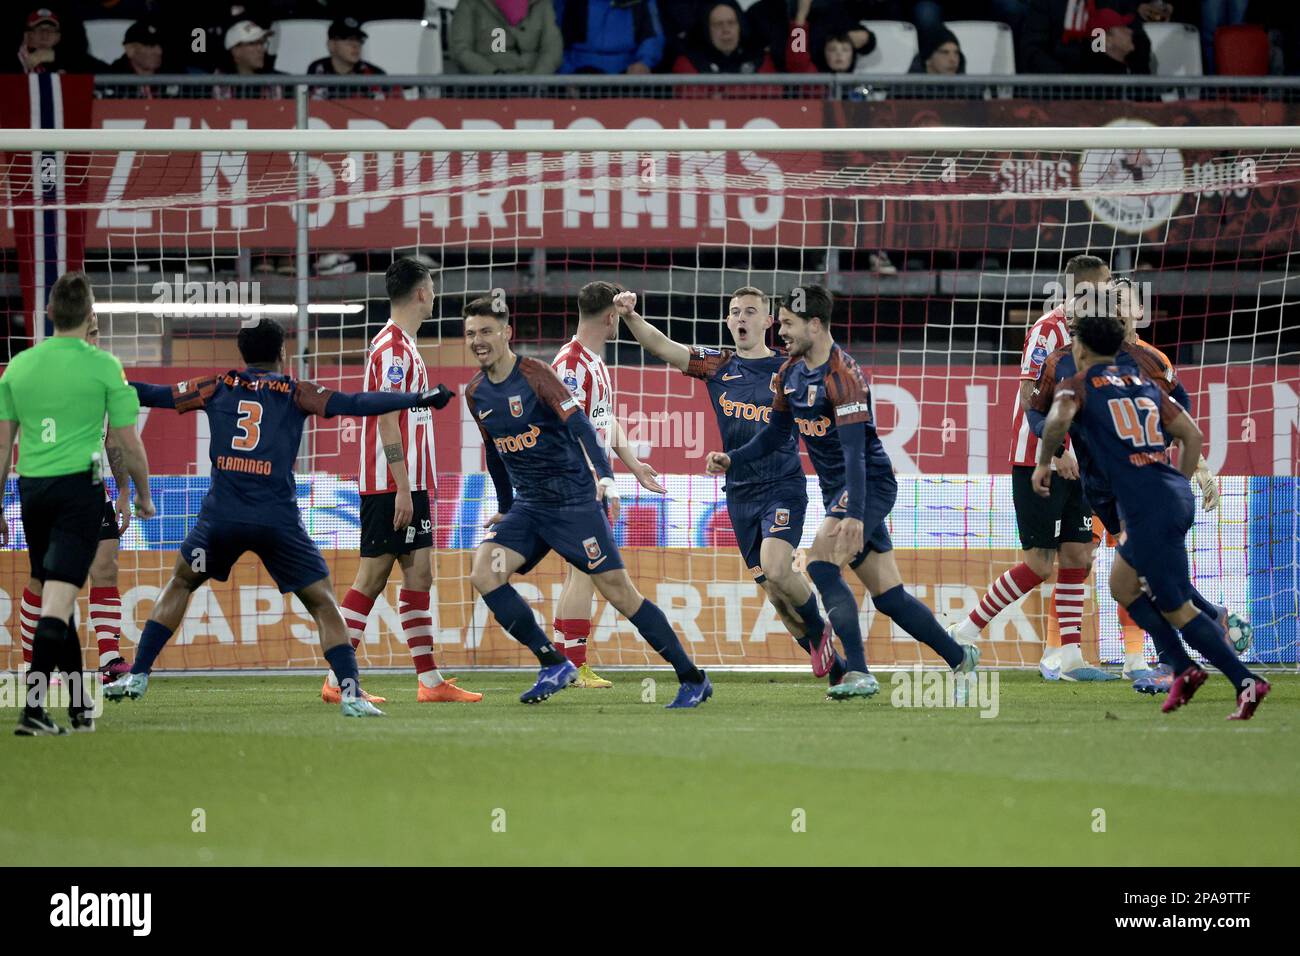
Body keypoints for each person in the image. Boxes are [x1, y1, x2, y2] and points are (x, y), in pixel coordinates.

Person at [103, 319, 456, 716]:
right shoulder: (295, 392)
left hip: (222, 518)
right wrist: (418, 398)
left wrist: (106, 384)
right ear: (282, 353)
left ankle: (139, 673)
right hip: (277, 522)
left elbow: (154, 395)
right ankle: (352, 693)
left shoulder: (215, 386)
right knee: (323, 603)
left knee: (181, 582)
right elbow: (356, 404)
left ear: (241, 352)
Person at [706, 285, 978, 701]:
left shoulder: (843, 376)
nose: (782, 333)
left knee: (820, 565)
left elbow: (854, 453)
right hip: (839, 490)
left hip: (866, 484)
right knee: (890, 597)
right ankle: (961, 658)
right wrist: (734, 459)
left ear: (815, 325)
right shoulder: (790, 373)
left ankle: (860, 672)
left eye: (790, 325)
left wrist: (850, 514)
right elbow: (776, 432)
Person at [463, 296, 712, 708]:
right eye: (471, 333)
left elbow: (582, 425)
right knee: (485, 572)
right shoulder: (476, 393)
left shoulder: (537, 374)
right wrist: (506, 504)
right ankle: (554, 662)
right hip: (529, 507)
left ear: (507, 333)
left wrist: (610, 479)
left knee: (621, 593)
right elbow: (494, 452)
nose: (478, 340)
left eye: (486, 331)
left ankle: (692, 677)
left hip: (574, 503)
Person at [1033, 311, 1269, 720]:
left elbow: (1055, 422)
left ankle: (1244, 681)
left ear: (1082, 348)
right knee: (1123, 585)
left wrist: (1042, 462)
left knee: (1177, 607)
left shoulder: (1078, 385)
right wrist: (1175, 483)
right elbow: (1191, 434)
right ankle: (1185, 669)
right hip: (1168, 495)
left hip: (1147, 506)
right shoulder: (1143, 382)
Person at [619, 288, 843, 686]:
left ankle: (821, 629)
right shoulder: (717, 364)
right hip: (739, 494)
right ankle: (838, 674)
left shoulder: (788, 367)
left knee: (778, 569)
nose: (742, 318)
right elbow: (663, 347)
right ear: (727, 322)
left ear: (768, 322)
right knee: (775, 596)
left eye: (751, 311)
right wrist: (631, 316)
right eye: (735, 312)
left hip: (782, 485)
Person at [0, 271, 153, 736]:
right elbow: (127, 442)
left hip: (32, 492)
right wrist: (142, 494)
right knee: (59, 595)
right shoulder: (104, 366)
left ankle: (80, 706)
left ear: (49, 314)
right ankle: (33, 710)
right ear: (88, 316)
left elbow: (3, 447)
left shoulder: (18, 367)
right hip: (78, 493)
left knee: (52, 587)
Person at [950, 255, 1115, 681]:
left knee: (1079, 552)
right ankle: (964, 630)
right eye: (1103, 288)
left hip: (1081, 464)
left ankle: (1073, 659)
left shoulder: (1100, 335)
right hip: (1037, 459)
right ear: (1082, 291)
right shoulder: (1048, 329)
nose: (1110, 295)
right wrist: (1057, 452)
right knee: (1041, 564)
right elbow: (1028, 395)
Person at [325, 258, 482, 705]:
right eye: (431, 287)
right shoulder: (392, 348)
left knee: (420, 575)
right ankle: (337, 681)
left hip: (409, 483)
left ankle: (430, 683)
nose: (434, 295)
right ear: (419, 293)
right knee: (372, 578)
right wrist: (401, 487)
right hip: (390, 485)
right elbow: (388, 421)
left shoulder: (404, 345)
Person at [549, 282, 666, 688]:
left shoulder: (594, 362)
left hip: (592, 481)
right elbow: (566, 430)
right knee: (584, 574)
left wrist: (634, 467)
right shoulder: (570, 364)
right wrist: (596, 479)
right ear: (611, 316)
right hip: (579, 483)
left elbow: (603, 420)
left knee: (576, 574)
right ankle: (572, 666)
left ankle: (564, 665)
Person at [449, 0, 564, 76]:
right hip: (487, 91)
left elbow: (552, 47)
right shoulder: (470, 4)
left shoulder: (541, 4)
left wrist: (536, 78)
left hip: (534, 91)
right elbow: (460, 49)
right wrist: (494, 74)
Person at [555, 0, 663, 74]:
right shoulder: (570, 2)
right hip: (581, 73)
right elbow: (557, 39)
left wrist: (644, 62)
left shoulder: (639, 2)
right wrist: (567, 73)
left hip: (627, 74)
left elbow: (652, 35)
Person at [671, 1, 774, 74]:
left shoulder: (759, 59)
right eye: (718, 24)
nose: (726, 30)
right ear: (707, 30)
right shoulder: (689, 62)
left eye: (731, 23)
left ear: (740, 27)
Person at [306, 17, 387, 97]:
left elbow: (394, 104)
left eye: (359, 40)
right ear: (331, 45)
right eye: (349, 40)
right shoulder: (317, 69)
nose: (356, 45)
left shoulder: (375, 73)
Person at [11, 7, 104, 74]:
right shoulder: (15, 60)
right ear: (28, 35)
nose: (45, 35)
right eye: (39, 30)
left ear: (57, 38)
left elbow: (103, 72)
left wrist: (55, 56)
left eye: (50, 31)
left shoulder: (69, 61)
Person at [214, 19, 285, 100]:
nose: (261, 49)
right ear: (235, 51)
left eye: (262, 43)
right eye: (253, 43)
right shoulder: (211, 85)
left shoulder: (282, 83)